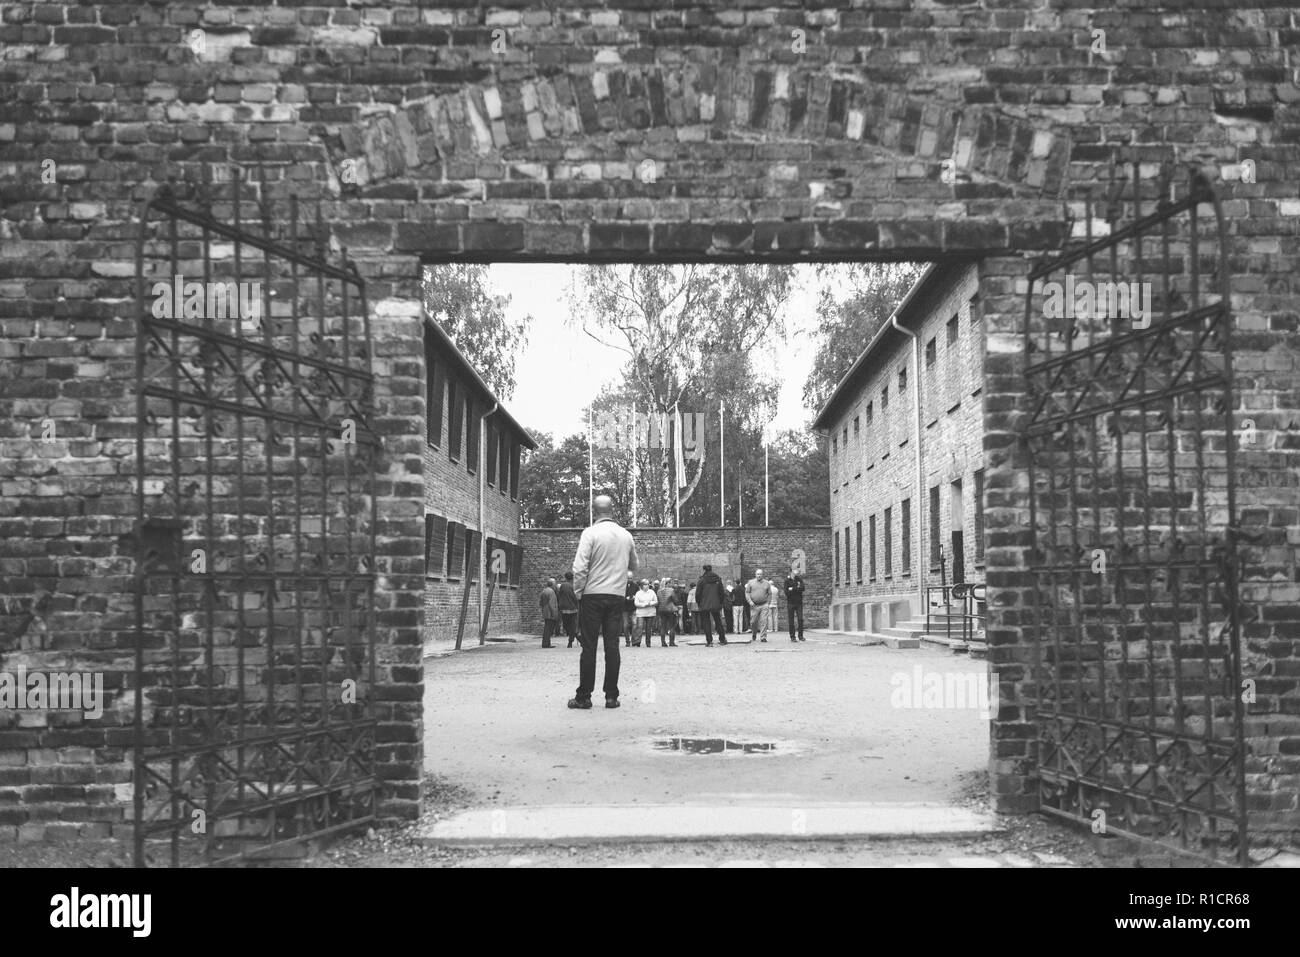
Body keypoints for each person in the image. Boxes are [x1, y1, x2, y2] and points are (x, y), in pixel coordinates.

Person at [570, 494, 638, 710]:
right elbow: (634, 565)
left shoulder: (590, 533)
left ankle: (584, 696)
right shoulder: (626, 535)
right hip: (616, 595)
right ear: (612, 511)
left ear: (594, 511)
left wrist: (579, 592)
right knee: (612, 646)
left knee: (589, 646)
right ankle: (611, 696)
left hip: (592, 594)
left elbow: (580, 568)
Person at [694, 564, 728, 647]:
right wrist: (720, 602)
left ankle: (709, 641)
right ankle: (722, 639)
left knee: (706, 622)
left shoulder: (702, 580)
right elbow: (721, 593)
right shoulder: (717, 579)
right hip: (716, 603)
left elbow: (698, 593)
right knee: (718, 621)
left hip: (704, 604)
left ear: (704, 570)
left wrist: (699, 603)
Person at [745, 569, 772, 642]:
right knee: (753, 622)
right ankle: (754, 633)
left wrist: (768, 603)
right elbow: (747, 593)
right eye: (757, 574)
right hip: (754, 605)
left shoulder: (766, 583)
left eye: (760, 574)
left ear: (762, 575)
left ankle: (763, 637)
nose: (759, 575)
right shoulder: (751, 582)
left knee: (764, 621)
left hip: (764, 605)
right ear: (755, 574)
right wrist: (750, 601)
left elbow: (769, 593)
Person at [634, 578, 659, 647]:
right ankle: (637, 641)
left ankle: (648, 643)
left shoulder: (652, 592)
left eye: (648, 584)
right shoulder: (638, 593)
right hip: (641, 613)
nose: (647, 586)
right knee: (640, 627)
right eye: (645, 584)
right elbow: (636, 603)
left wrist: (650, 603)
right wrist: (643, 605)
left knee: (648, 628)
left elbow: (656, 601)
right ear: (642, 585)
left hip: (650, 612)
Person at [783, 569, 806, 643]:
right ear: (791, 572)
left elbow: (803, 588)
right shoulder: (787, 581)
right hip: (790, 603)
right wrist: (797, 588)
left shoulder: (799, 579)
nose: (796, 573)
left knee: (800, 619)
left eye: (797, 572)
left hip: (799, 603)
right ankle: (792, 637)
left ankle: (801, 636)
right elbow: (786, 592)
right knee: (791, 621)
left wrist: (792, 588)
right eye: (795, 571)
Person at [558, 571, 580, 648]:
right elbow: (576, 597)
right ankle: (576, 636)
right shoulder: (573, 586)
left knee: (566, 625)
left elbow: (559, 596)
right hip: (573, 608)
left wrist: (560, 605)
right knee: (572, 625)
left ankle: (571, 640)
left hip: (564, 608)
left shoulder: (563, 586)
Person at [656, 577, 679, 647]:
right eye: (670, 582)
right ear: (668, 583)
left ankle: (663, 642)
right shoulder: (671, 590)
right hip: (670, 610)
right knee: (671, 626)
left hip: (661, 610)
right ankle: (671, 642)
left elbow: (658, 601)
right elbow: (675, 600)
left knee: (663, 626)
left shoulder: (659, 591)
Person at [539, 578, 559, 648]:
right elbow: (552, 604)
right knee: (549, 628)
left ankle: (546, 643)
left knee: (546, 628)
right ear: (553, 584)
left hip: (545, 611)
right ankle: (547, 644)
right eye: (555, 583)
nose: (556, 585)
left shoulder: (544, 591)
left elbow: (540, 603)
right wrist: (554, 614)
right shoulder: (551, 592)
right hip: (550, 612)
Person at [622, 571, 638, 648]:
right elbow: (620, 596)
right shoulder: (622, 585)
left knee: (635, 624)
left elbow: (638, 595)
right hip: (625, 608)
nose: (629, 579)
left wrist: (635, 597)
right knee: (625, 625)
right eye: (628, 578)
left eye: (631, 578)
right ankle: (627, 641)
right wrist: (626, 598)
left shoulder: (635, 586)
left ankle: (633, 640)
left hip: (633, 607)